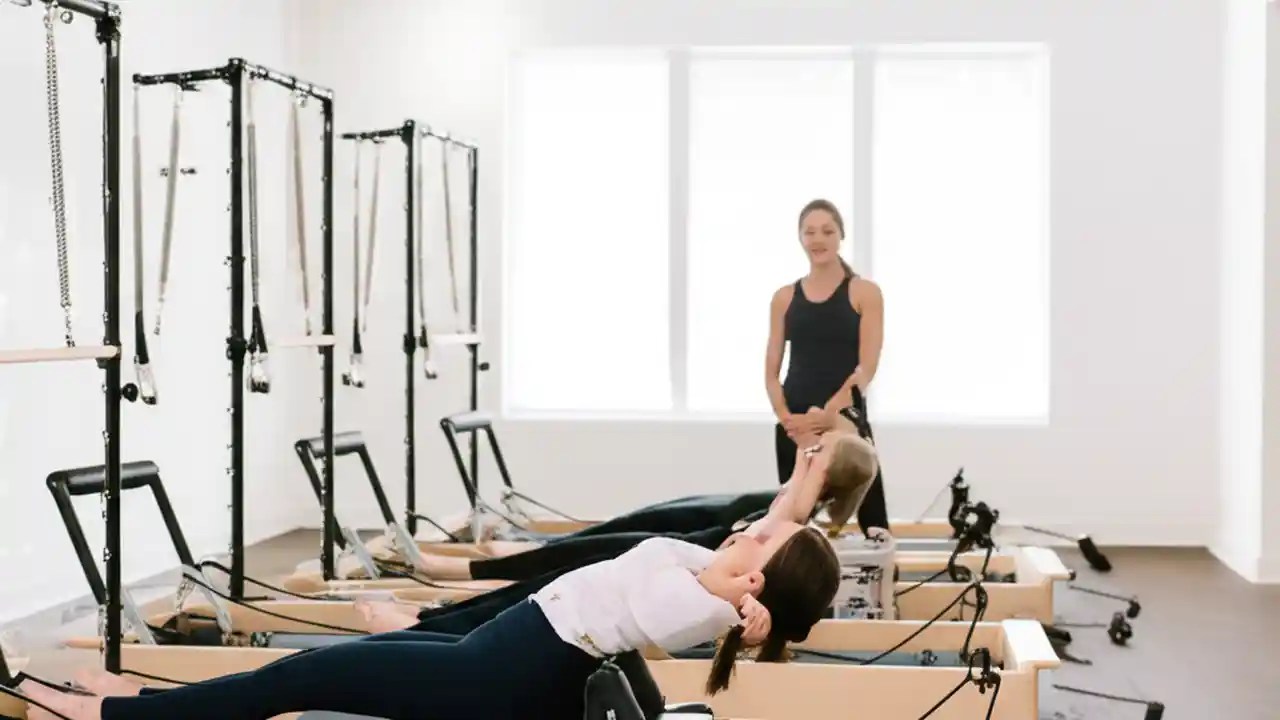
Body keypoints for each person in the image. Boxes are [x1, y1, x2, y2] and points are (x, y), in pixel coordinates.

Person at [23, 521, 841, 720]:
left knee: (307, 679)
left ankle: (113, 713)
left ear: (761, 570)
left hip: (506, 671)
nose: (750, 524)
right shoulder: (706, 578)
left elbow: (664, 574)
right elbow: (667, 550)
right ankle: (138, 700)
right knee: (311, 671)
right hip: (506, 646)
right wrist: (743, 575)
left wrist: (737, 592)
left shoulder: (697, 598)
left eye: (765, 535)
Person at [359, 415, 878, 636]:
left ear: (829, 470)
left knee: (545, 579)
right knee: (552, 565)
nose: (813, 446)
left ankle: (427, 610)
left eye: (823, 450)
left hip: (683, 552)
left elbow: (809, 477)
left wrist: (828, 443)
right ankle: (432, 600)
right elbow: (805, 462)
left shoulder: (797, 522)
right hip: (678, 544)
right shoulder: (795, 499)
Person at [766, 198, 888, 533]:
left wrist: (829, 415)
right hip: (796, 421)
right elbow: (771, 371)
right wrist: (787, 419)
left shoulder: (864, 292)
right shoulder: (784, 297)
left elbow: (866, 367)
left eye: (827, 231)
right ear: (800, 238)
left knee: (873, 520)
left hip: (843, 415)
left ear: (840, 235)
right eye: (810, 232)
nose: (818, 239)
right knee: (792, 521)